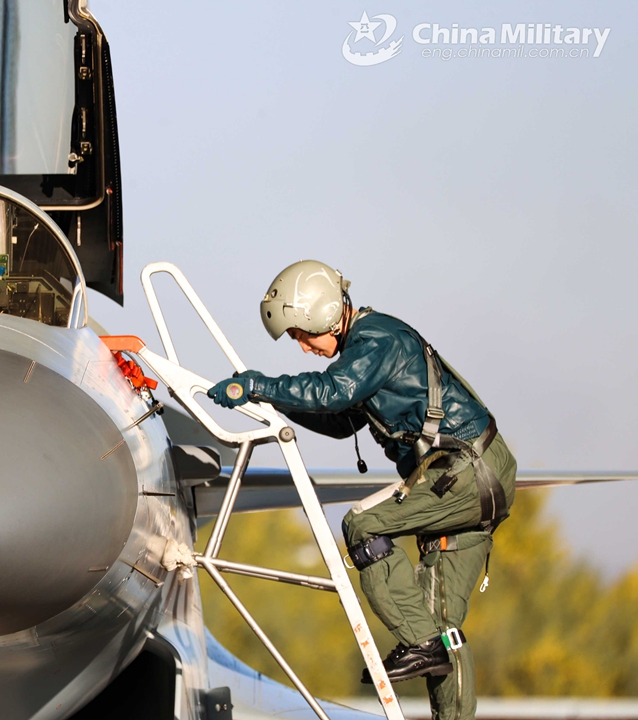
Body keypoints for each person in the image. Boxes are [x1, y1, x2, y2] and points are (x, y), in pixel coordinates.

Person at [206, 260, 516, 720]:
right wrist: (270, 397)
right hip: (481, 474)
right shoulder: (368, 353)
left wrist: (257, 383)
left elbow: (334, 392)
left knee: (363, 525)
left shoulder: (377, 341)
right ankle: (433, 661)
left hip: (466, 471)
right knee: (443, 626)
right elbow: (339, 418)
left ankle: (418, 642)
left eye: (300, 334)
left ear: (322, 316)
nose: (303, 346)